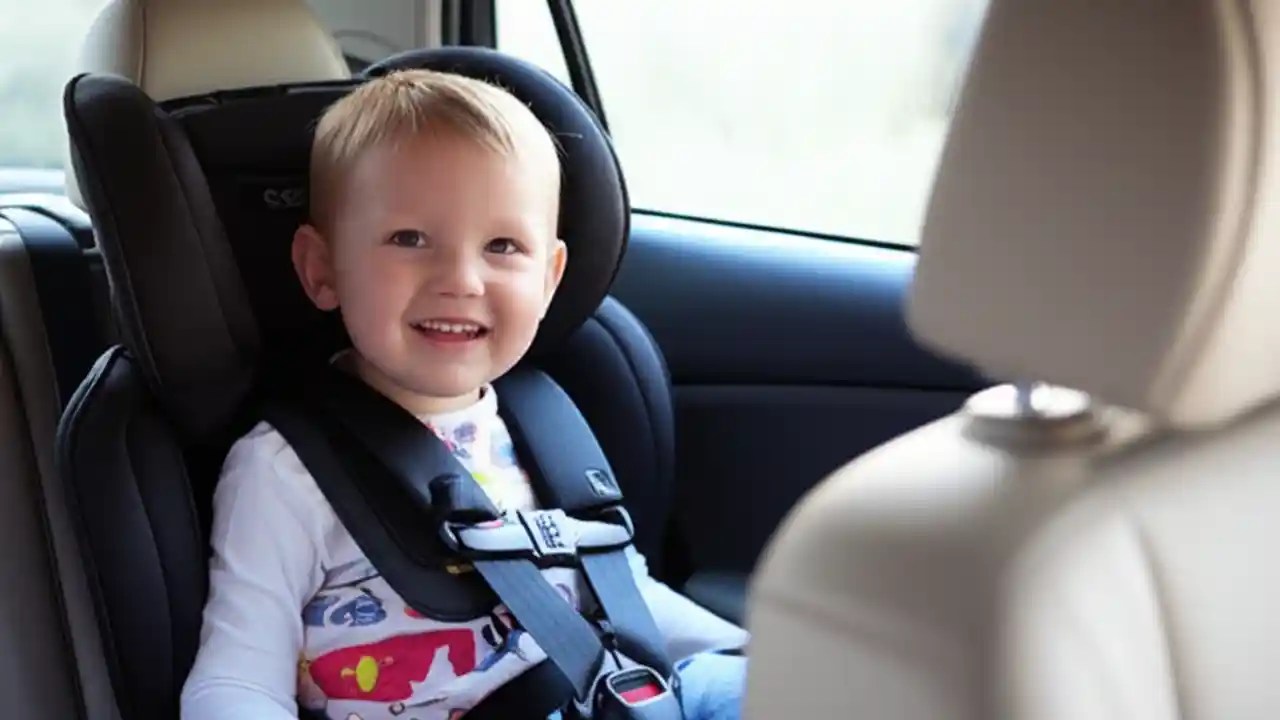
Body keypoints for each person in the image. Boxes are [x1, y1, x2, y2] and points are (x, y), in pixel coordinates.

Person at [180, 68, 749, 720]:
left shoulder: (548, 425)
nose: (461, 279)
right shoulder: (283, 468)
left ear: (548, 277)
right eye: (410, 239)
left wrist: (758, 656)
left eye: (503, 246)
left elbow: (623, 595)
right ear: (322, 268)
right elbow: (237, 681)